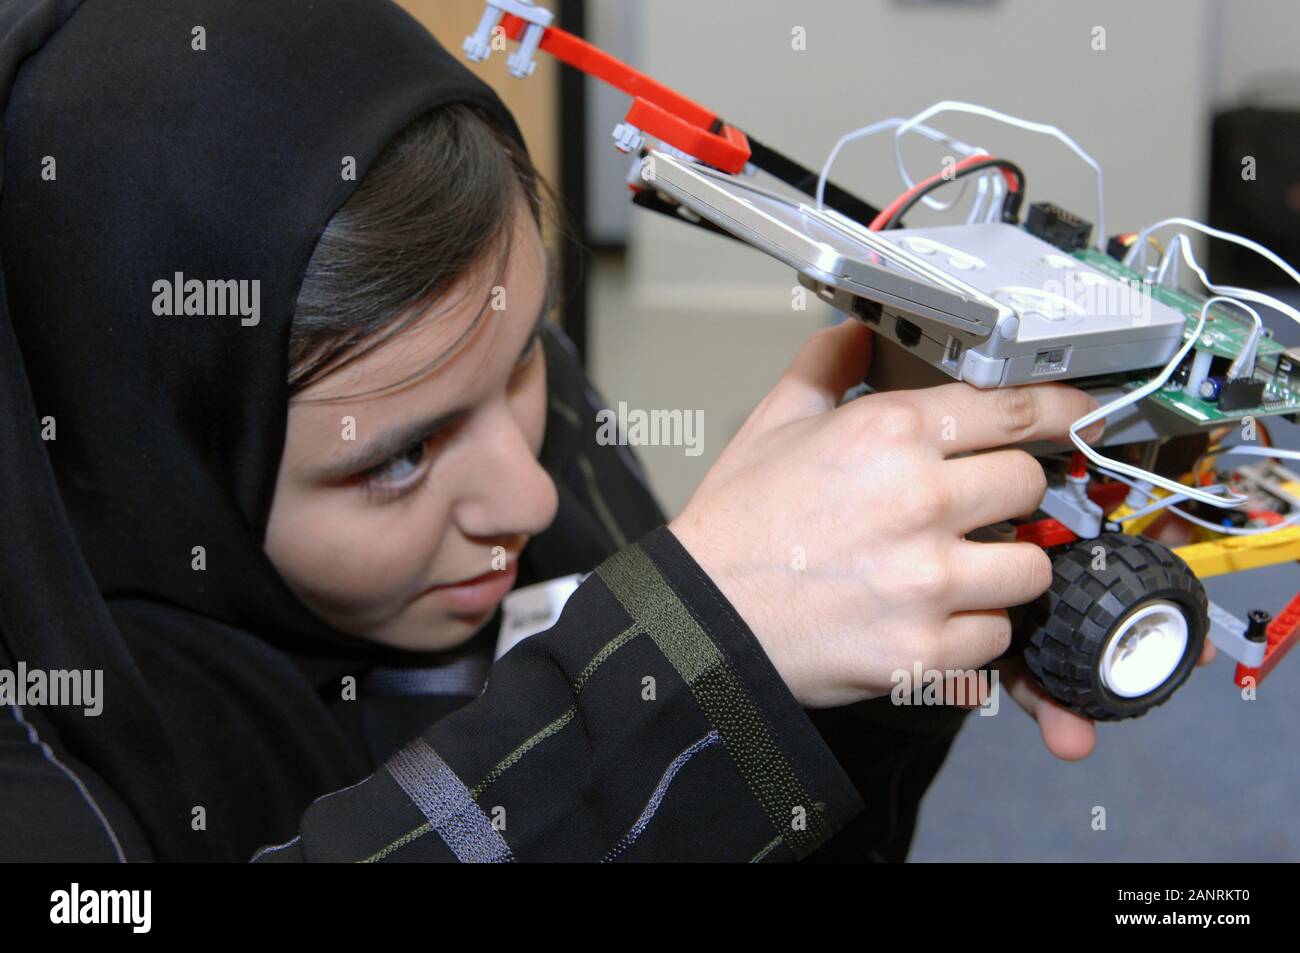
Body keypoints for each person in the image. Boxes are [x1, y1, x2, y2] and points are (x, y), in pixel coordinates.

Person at [0, 0, 1166, 863]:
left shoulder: (502, 422)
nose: (531, 497)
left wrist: (852, 656)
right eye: (397, 456)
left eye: (526, 361)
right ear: (147, 471)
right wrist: (685, 663)